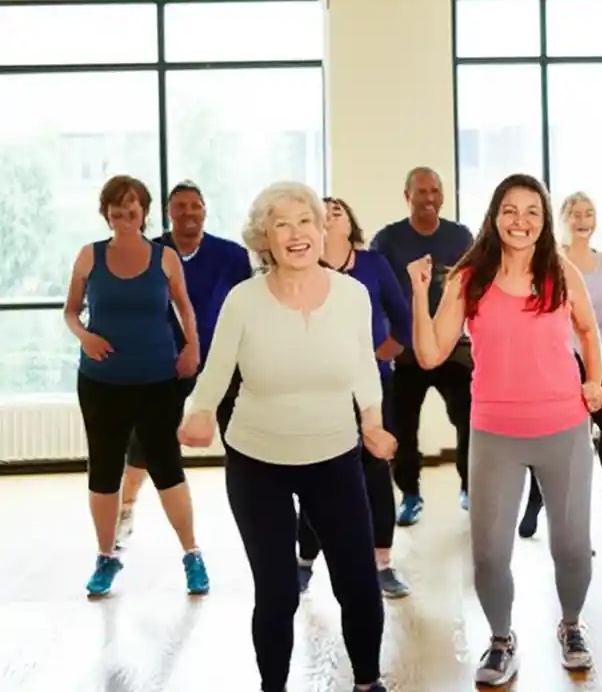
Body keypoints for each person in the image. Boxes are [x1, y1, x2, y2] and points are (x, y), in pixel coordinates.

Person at [178, 181, 393, 692]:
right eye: (282, 224)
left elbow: (364, 367)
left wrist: (373, 422)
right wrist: (200, 411)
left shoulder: (352, 296)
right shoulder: (243, 300)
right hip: (258, 461)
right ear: (264, 238)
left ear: (323, 230)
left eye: (306, 221)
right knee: (277, 594)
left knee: (359, 584)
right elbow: (214, 373)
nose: (296, 234)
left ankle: (367, 683)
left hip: (334, 456)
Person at [408, 173, 602, 687]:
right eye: (510, 211)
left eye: (532, 212)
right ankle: (501, 640)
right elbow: (429, 354)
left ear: (543, 220)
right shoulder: (470, 276)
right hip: (494, 431)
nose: (521, 221)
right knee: (490, 554)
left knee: (571, 547)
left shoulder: (561, 272)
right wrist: (416, 292)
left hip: (563, 426)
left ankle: (571, 626)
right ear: (495, 216)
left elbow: (588, 329)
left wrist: (594, 380)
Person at [63, 175, 208, 598]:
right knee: (105, 469)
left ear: (144, 214)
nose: (124, 218)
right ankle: (106, 557)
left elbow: (184, 306)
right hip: (101, 382)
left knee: (166, 467)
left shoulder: (165, 258)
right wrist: (85, 336)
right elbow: (71, 312)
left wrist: (192, 348)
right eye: (116, 211)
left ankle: (192, 554)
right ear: (105, 214)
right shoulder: (89, 256)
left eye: (132, 211)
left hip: (158, 380)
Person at [116, 180, 252, 548]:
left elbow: (248, 311)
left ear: (205, 210)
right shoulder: (150, 253)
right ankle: (124, 511)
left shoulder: (232, 256)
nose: (189, 213)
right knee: (143, 443)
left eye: (196, 205)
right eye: (181, 207)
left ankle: (259, 515)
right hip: (164, 365)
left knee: (245, 442)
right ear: (167, 213)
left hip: (224, 364)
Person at [294, 197, 413, 598]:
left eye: (338, 210)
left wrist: (382, 354)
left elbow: (403, 318)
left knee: (376, 472)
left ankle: (383, 564)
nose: (329, 214)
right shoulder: (301, 268)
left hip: (371, 387)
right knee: (315, 475)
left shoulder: (374, 265)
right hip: (319, 388)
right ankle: (305, 561)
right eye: (321, 210)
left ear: (351, 223)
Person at [520, 191, 602, 536]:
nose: (583, 220)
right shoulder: (551, 264)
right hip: (562, 360)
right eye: (576, 214)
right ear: (563, 220)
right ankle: (536, 499)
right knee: (553, 437)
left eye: (589, 213)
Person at [370, 167, 475, 520]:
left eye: (434, 191)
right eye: (421, 192)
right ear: (407, 196)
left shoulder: (460, 237)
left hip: (453, 350)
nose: (428, 199)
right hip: (407, 352)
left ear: (442, 196)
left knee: (469, 419)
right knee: (403, 426)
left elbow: (476, 288)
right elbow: (375, 292)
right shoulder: (388, 241)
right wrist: (388, 340)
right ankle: (410, 495)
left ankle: (468, 488)